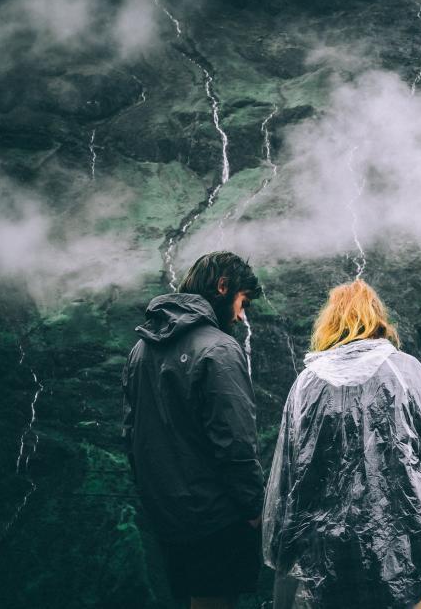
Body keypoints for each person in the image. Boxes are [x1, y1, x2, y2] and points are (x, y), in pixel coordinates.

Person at [263, 279, 421, 609]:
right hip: (405, 550)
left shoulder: (307, 384)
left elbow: (291, 476)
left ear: (328, 324)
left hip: (326, 556)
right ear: (377, 320)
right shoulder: (407, 373)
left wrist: (280, 547)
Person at [121, 251, 265, 609]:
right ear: (222, 286)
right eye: (242, 302)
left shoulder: (141, 348)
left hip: (166, 511)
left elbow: (130, 430)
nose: (240, 315)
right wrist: (254, 507)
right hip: (215, 514)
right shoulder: (218, 349)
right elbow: (235, 444)